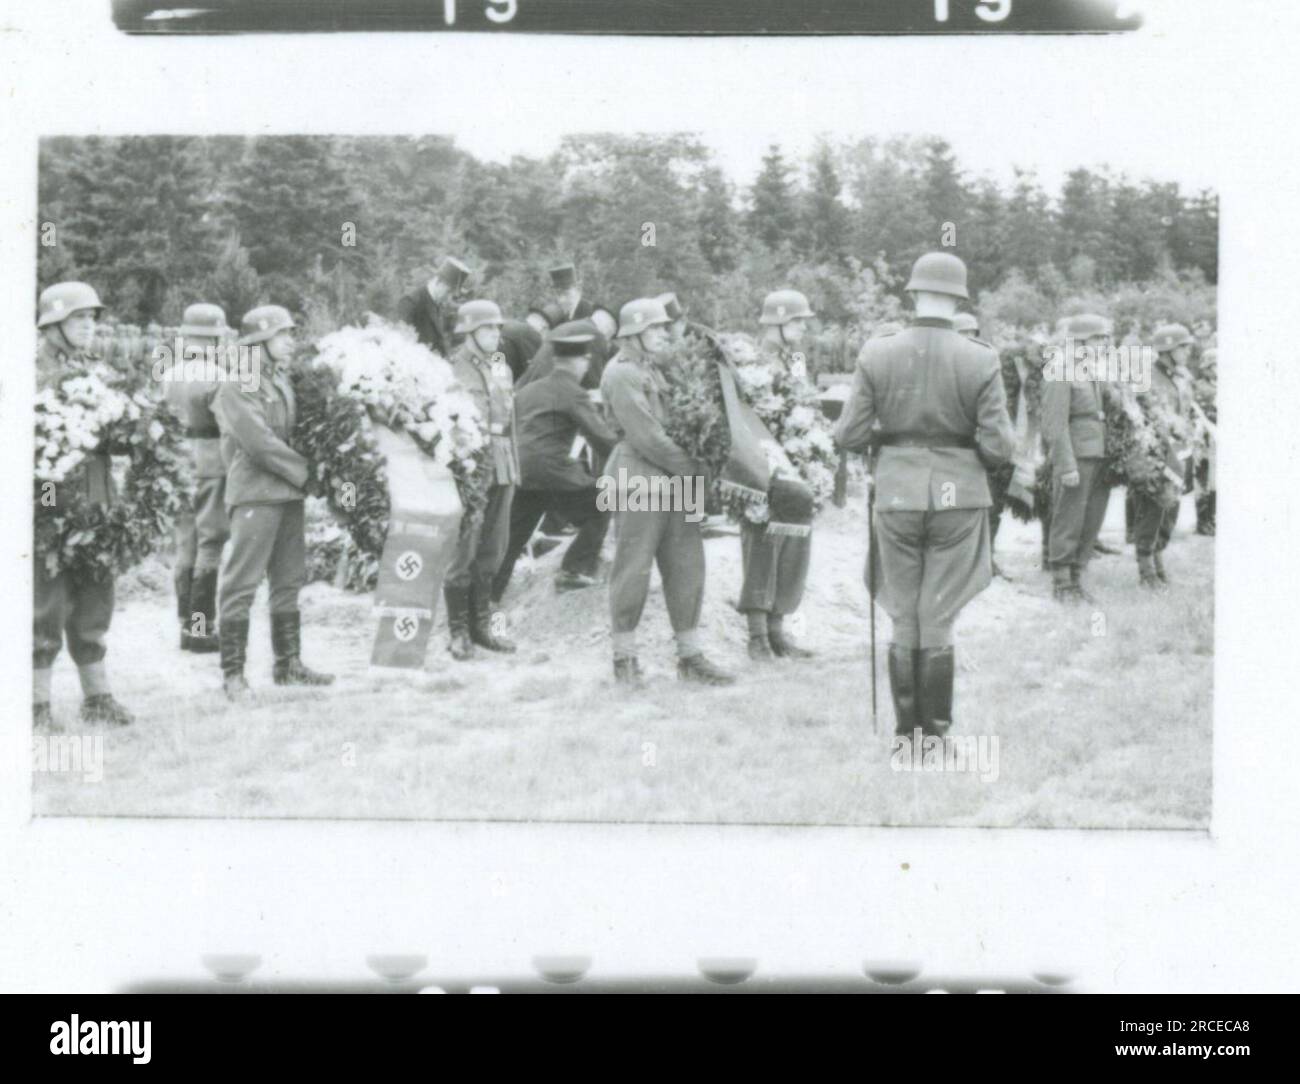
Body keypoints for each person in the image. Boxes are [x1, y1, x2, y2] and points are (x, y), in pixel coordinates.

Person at [835, 253, 1014, 737]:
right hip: (959, 497)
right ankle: (934, 737)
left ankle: (905, 737)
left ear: (911, 295)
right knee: (937, 614)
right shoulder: (980, 356)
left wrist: (890, 443)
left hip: (897, 493)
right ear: (959, 301)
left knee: (903, 612)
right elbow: (1000, 447)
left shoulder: (878, 351)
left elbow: (848, 435)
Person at [600, 298, 734, 687]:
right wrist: (696, 467)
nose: (664, 333)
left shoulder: (655, 367)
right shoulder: (622, 373)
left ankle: (690, 657)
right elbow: (648, 437)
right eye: (656, 328)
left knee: (688, 567)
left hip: (678, 479)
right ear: (636, 332)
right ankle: (624, 660)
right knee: (633, 569)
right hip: (638, 477)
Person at [215, 305, 334, 699]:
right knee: (241, 583)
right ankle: (233, 675)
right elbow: (259, 442)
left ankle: (289, 664)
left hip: (285, 494)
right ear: (259, 341)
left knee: (288, 580)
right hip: (256, 492)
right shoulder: (239, 383)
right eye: (282, 334)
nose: (290, 341)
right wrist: (306, 472)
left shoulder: (278, 378)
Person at [33, 281, 134, 727]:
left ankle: (97, 697)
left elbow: (118, 430)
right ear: (54, 323)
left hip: (96, 495)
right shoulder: (29, 370)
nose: (89, 327)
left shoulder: (100, 369)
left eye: (93, 319)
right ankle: (35, 704)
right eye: (79, 318)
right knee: (47, 600)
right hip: (50, 499)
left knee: (96, 598)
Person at [492, 326, 616, 602]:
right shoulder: (573, 391)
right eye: (585, 361)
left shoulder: (530, 390)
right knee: (605, 501)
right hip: (553, 472)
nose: (586, 366)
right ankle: (573, 569)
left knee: (512, 541)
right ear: (578, 361)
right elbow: (601, 438)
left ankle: (488, 598)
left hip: (520, 473)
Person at [739, 288, 819, 661]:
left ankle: (777, 630)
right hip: (764, 467)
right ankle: (757, 636)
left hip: (796, 464)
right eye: (798, 321)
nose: (804, 327)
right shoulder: (750, 362)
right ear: (780, 320)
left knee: (793, 546)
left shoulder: (796, 359)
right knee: (762, 545)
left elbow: (805, 399)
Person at [445, 299, 520, 659]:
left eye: (497, 328)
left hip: (502, 464)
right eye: (488, 328)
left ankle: (482, 626)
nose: (495, 333)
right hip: (473, 469)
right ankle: (458, 631)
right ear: (470, 331)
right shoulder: (457, 367)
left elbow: (509, 422)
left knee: (492, 549)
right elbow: (459, 424)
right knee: (465, 548)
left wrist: (514, 468)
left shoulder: (499, 368)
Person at [164, 302, 232, 654]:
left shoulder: (169, 374)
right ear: (216, 338)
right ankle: (202, 628)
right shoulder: (219, 378)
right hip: (211, 460)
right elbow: (230, 426)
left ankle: (186, 625)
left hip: (179, 462)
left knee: (185, 543)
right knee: (211, 542)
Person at [1041, 313, 1114, 602]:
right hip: (1077, 456)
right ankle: (1061, 581)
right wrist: (1066, 464)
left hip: (1098, 454)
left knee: (1091, 518)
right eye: (1098, 338)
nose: (1104, 343)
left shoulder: (1092, 370)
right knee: (1069, 517)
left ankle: (1077, 576)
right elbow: (1055, 424)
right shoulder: (1060, 370)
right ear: (1080, 341)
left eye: (1105, 338)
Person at [1134, 323, 1197, 587]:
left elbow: (1186, 411)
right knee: (1152, 509)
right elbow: (1142, 415)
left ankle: (1158, 560)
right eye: (1183, 347)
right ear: (1168, 349)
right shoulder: (1146, 376)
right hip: (1156, 452)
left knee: (1170, 509)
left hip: (1179, 451)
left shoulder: (1181, 376)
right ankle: (1146, 568)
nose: (1187, 351)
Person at [395, 257, 471, 357]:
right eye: (448, 291)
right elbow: (399, 342)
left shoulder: (437, 305)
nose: (449, 298)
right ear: (438, 282)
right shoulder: (411, 302)